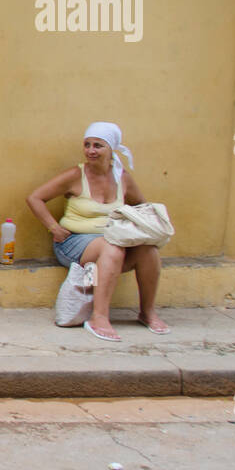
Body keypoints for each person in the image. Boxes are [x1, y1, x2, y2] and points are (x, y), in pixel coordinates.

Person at [25, 121, 169, 342]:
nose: (91, 151)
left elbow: (141, 206)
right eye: (87, 145)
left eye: (98, 146)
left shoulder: (123, 178)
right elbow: (35, 198)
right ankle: (99, 317)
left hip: (115, 244)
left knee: (148, 250)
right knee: (111, 247)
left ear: (111, 149)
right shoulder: (75, 174)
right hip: (73, 243)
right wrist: (53, 227)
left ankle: (147, 312)